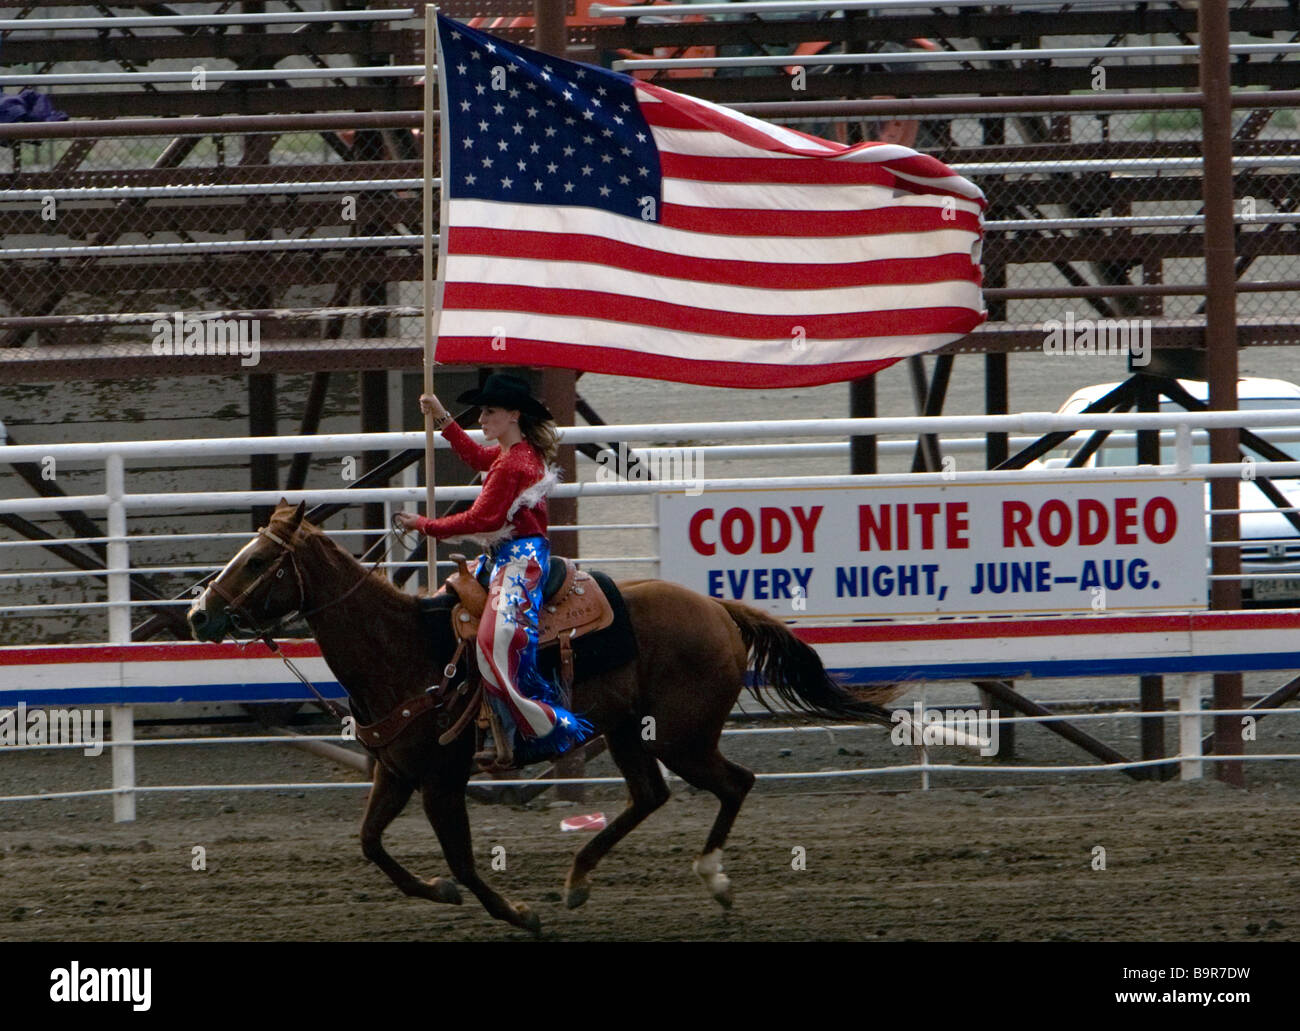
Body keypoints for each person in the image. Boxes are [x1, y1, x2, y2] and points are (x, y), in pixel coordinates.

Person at [395, 373, 591, 767]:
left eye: (490, 411)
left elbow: (482, 519)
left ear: (513, 415)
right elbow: (475, 455)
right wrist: (444, 418)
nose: (482, 418)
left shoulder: (511, 464)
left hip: (520, 561)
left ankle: (540, 730)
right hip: (506, 556)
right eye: (482, 411)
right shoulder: (514, 454)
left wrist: (425, 526)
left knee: (495, 639)